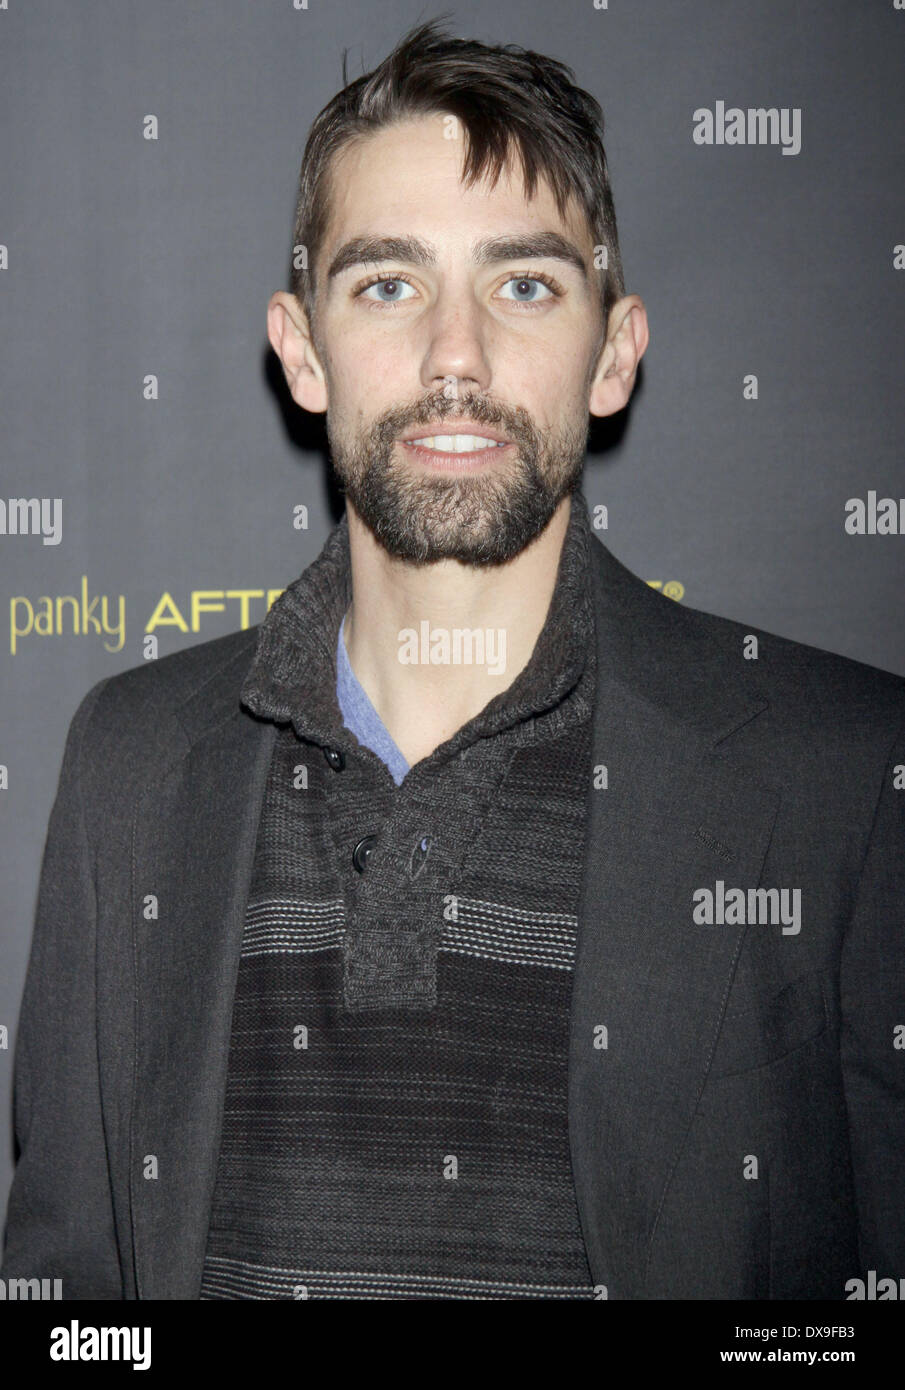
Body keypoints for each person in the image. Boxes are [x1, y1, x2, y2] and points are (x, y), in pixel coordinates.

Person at [2, 17, 903, 1301]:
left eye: (522, 283)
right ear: (301, 349)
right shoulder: (130, 762)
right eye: (388, 283)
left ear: (615, 350)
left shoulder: (844, 776)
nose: (455, 358)